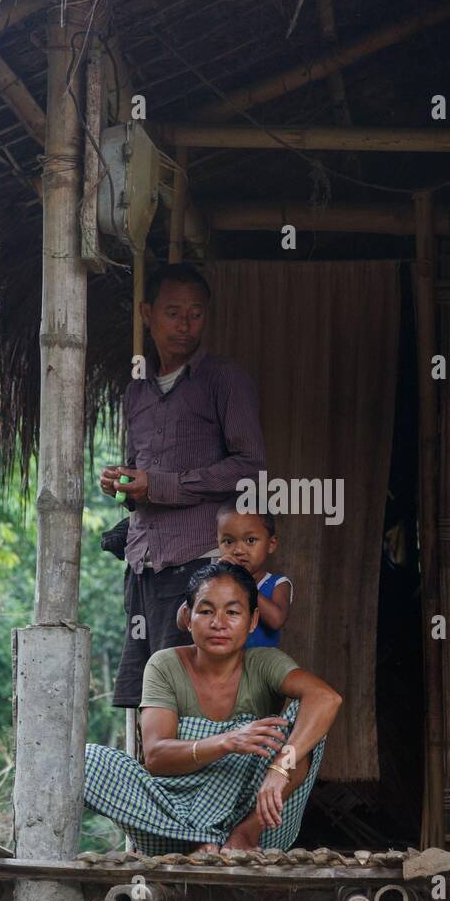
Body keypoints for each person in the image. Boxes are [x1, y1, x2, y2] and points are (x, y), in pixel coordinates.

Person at [84, 561, 342, 854]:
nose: (219, 623)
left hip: (255, 818)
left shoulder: (265, 662)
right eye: (206, 611)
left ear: (253, 620)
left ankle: (242, 836)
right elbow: (156, 756)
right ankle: (195, 839)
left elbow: (326, 698)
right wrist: (226, 742)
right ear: (188, 617)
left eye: (232, 612)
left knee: (300, 724)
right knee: (89, 759)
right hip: (169, 820)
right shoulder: (164, 664)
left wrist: (280, 768)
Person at [101, 263, 266, 707]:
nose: (185, 325)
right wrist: (122, 484)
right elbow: (141, 475)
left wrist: (161, 484)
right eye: (173, 313)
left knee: (191, 693)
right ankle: (152, 775)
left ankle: (196, 773)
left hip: (199, 561)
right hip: (143, 562)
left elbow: (250, 466)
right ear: (147, 313)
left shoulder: (223, 379)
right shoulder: (136, 390)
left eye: (195, 313)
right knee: (149, 694)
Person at [176, 506, 293, 648]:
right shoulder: (215, 584)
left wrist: (245, 581)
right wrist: (208, 582)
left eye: (250, 540)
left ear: (271, 544)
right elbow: (182, 621)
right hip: (219, 665)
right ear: (218, 543)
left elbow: (277, 621)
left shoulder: (278, 584)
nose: (238, 551)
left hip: (258, 665)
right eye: (228, 542)